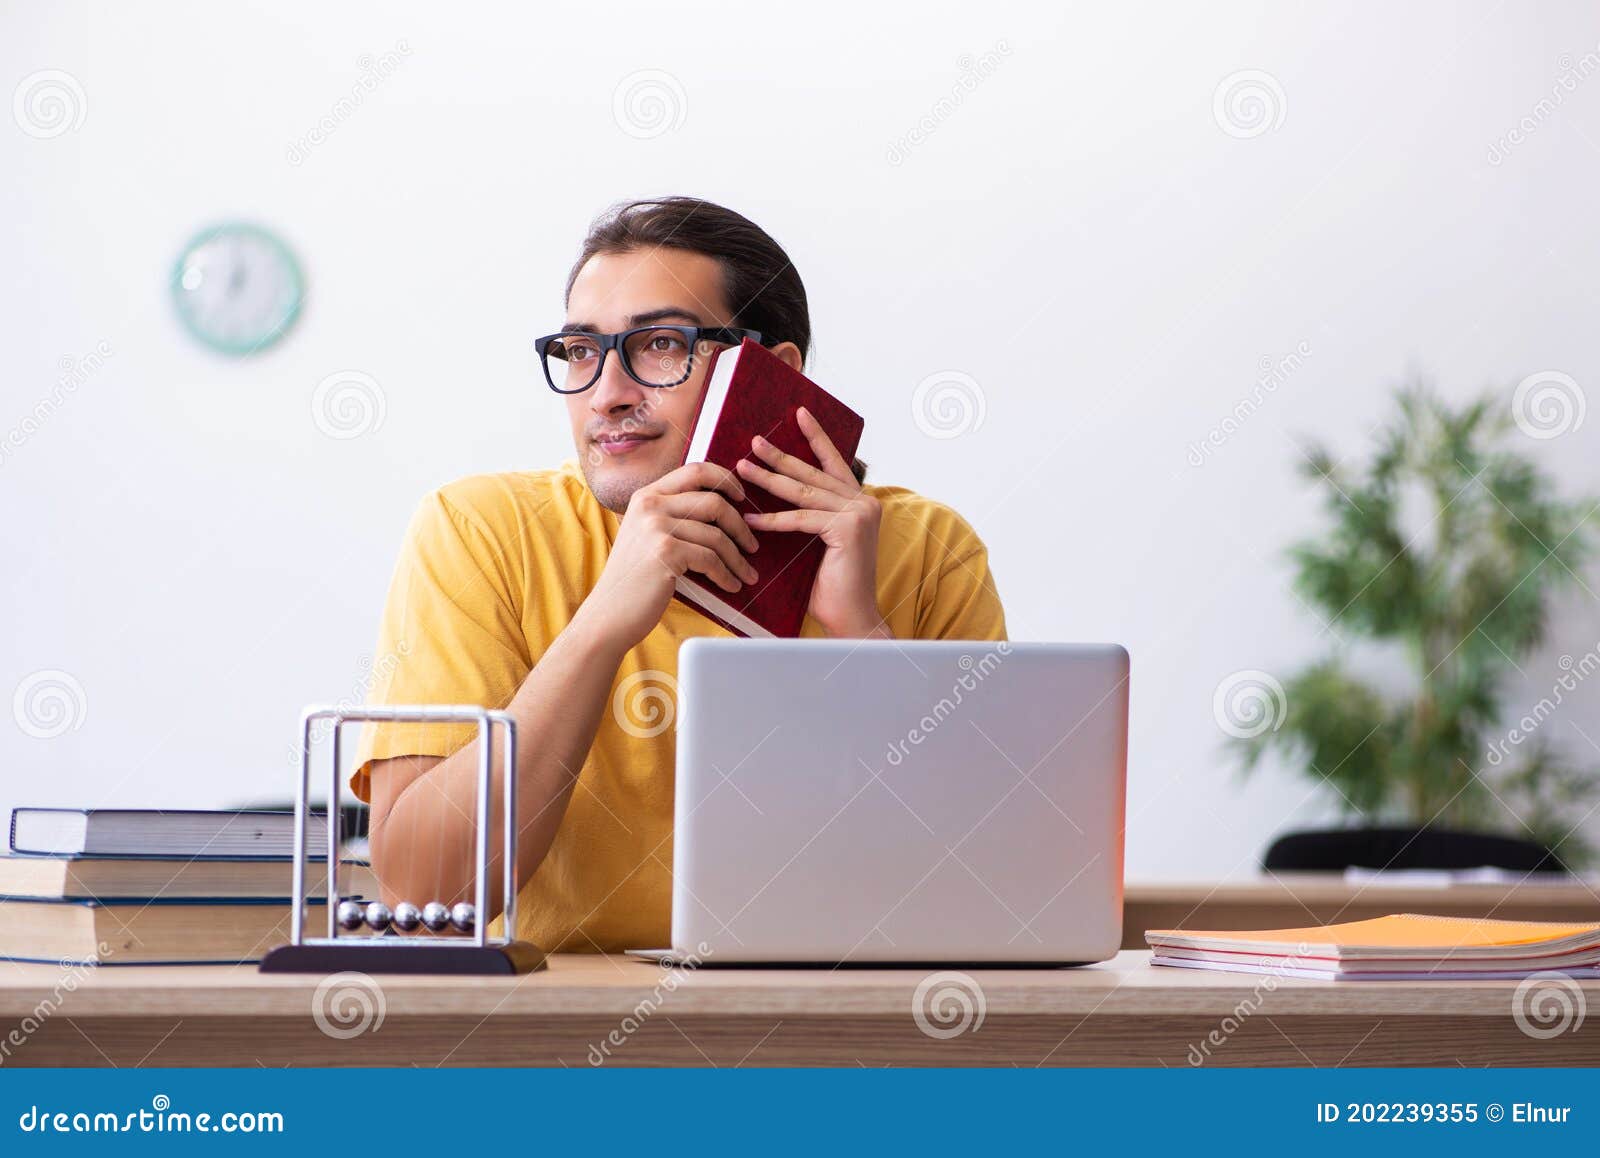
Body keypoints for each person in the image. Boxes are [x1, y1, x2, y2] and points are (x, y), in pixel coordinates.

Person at [353, 196, 1007, 952]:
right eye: (581, 351)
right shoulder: (480, 531)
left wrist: (860, 636)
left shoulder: (928, 548)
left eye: (661, 344)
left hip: (845, 1032)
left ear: (773, 374)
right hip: (559, 1037)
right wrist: (601, 624)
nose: (607, 394)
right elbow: (422, 894)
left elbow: (992, 888)